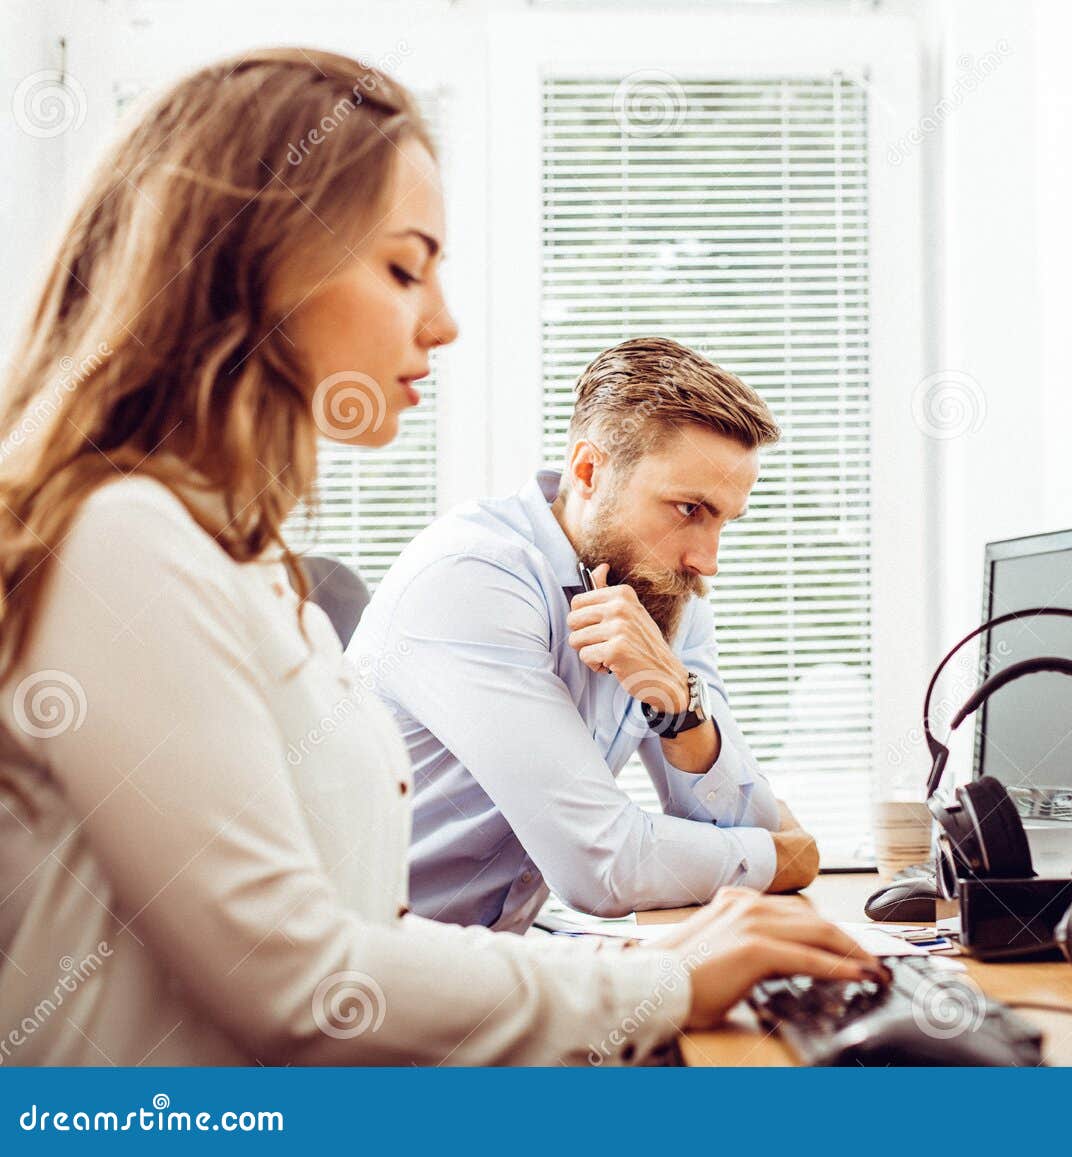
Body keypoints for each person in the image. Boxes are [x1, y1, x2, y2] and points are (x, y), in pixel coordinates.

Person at [0, 48, 877, 1067]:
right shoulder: (125, 539)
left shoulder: (237, 558)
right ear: (253, 265)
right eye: (404, 266)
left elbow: (353, 934)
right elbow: (301, 980)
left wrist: (657, 958)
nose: (444, 318)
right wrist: (664, 976)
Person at [349, 338, 820, 927]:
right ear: (589, 470)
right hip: (369, 978)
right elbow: (602, 866)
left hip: (503, 957)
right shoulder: (473, 578)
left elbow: (743, 827)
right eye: (688, 509)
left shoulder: (665, 587)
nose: (708, 559)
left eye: (724, 518)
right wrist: (782, 859)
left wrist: (682, 710)